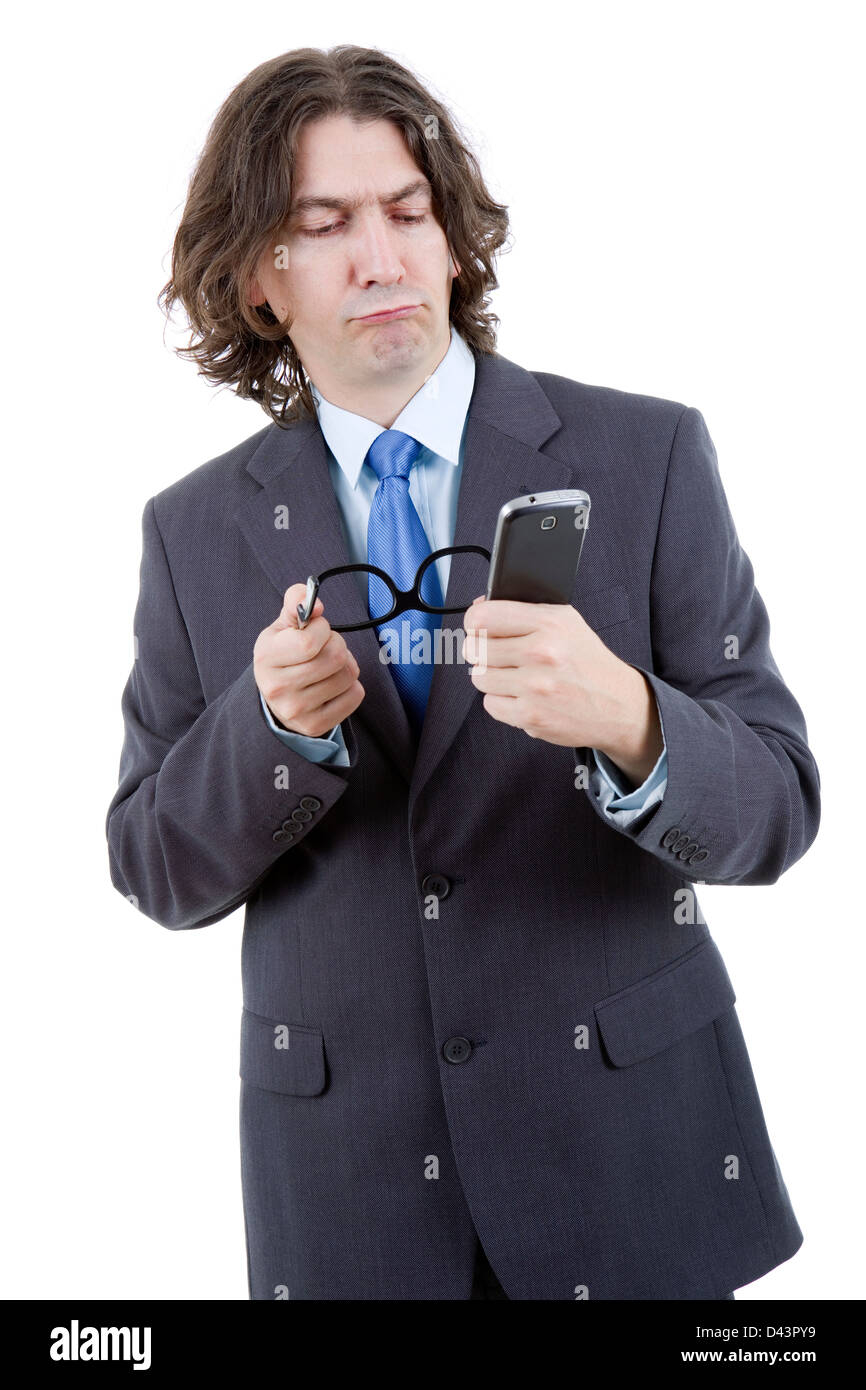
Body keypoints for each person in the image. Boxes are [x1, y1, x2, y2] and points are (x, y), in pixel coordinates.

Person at [106, 45, 820, 1300]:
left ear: (450, 236)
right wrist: (272, 728)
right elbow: (154, 869)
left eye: (406, 211)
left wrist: (634, 723)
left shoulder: (644, 456)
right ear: (263, 279)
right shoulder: (191, 530)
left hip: (627, 1174)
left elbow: (776, 807)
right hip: (352, 1207)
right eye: (322, 226)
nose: (379, 258)